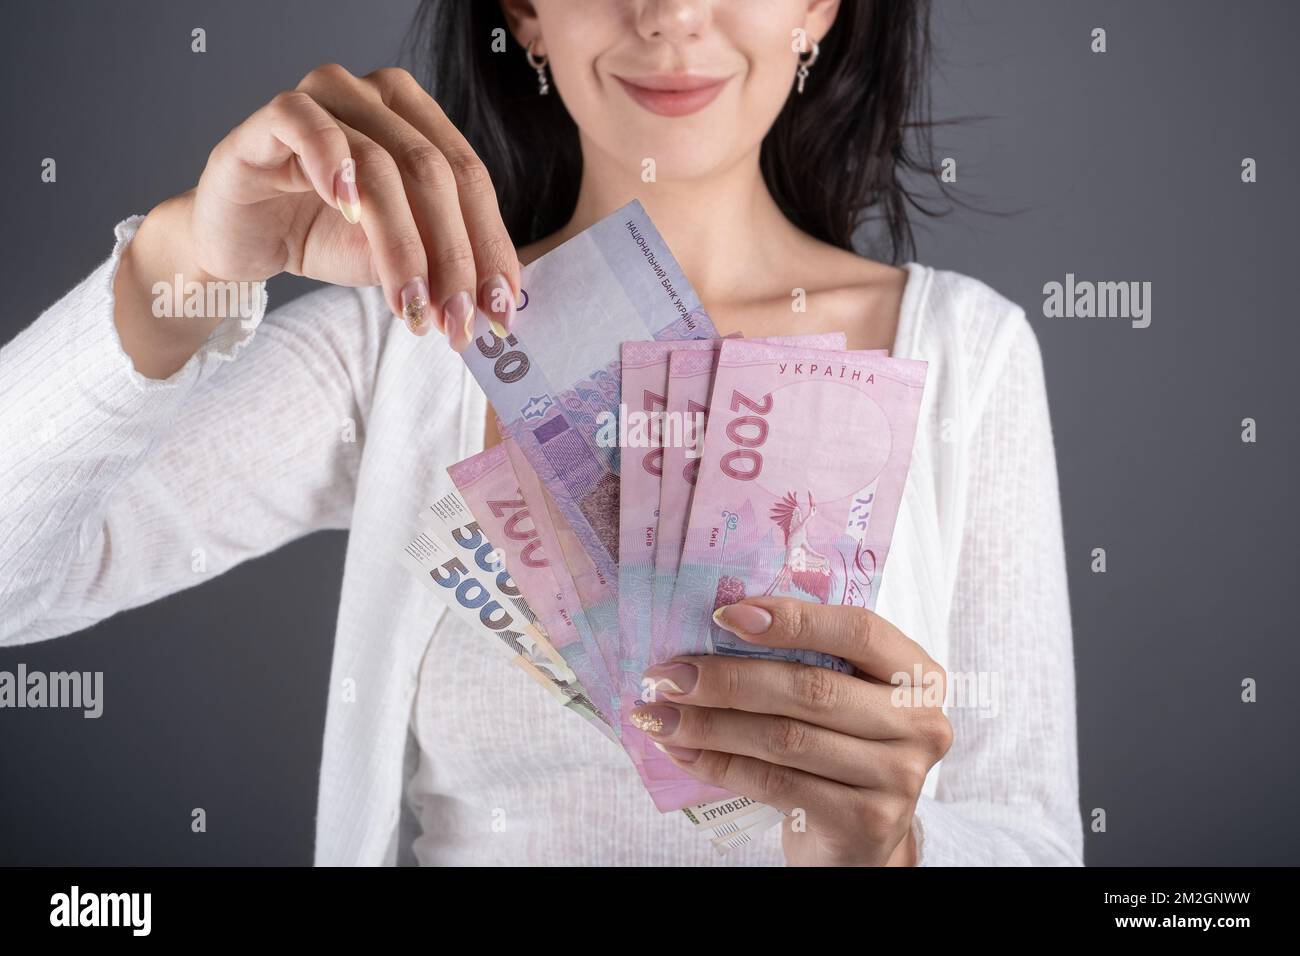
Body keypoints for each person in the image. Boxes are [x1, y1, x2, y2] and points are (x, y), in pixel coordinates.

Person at [0, 0, 1082, 866]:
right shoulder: (407, 346)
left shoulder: (965, 352)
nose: (667, 16)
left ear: (818, 8)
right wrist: (180, 260)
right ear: (523, 12)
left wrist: (892, 855)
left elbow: (1030, 839)